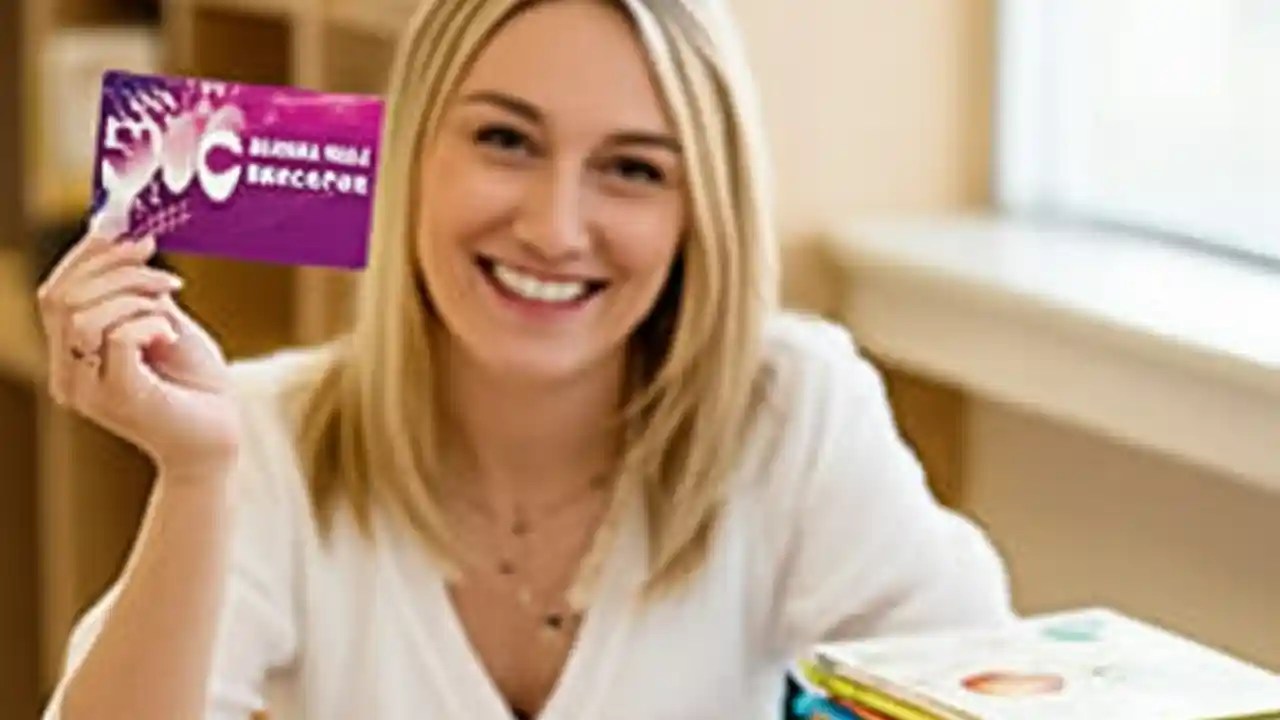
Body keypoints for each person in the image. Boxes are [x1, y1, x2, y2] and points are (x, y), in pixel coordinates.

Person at [36, 0, 1015, 718]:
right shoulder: (269, 434)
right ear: (414, 151)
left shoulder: (793, 411)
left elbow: (982, 686)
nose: (553, 228)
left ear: (699, 212)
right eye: (505, 140)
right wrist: (197, 478)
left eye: (631, 169)